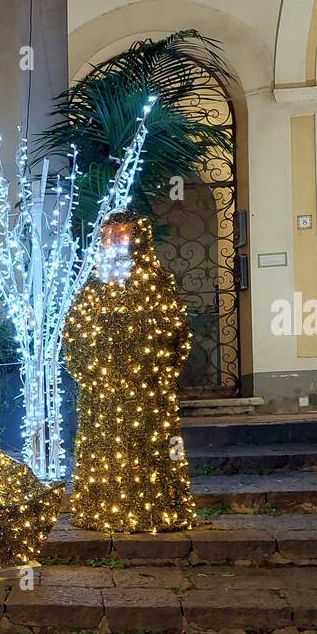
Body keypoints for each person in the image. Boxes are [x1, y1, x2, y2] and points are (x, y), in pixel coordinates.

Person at [63, 213, 195, 534]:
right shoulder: (92, 288)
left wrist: (156, 374)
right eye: (109, 237)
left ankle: (158, 508)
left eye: (122, 236)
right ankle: (101, 508)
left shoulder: (159, 282)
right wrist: (89, 375)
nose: (115, 244)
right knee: (105, 450)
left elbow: (177, 334)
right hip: (102, 394)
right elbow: (73, 334)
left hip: (149, 393)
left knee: (156, 450)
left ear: (138, 240)